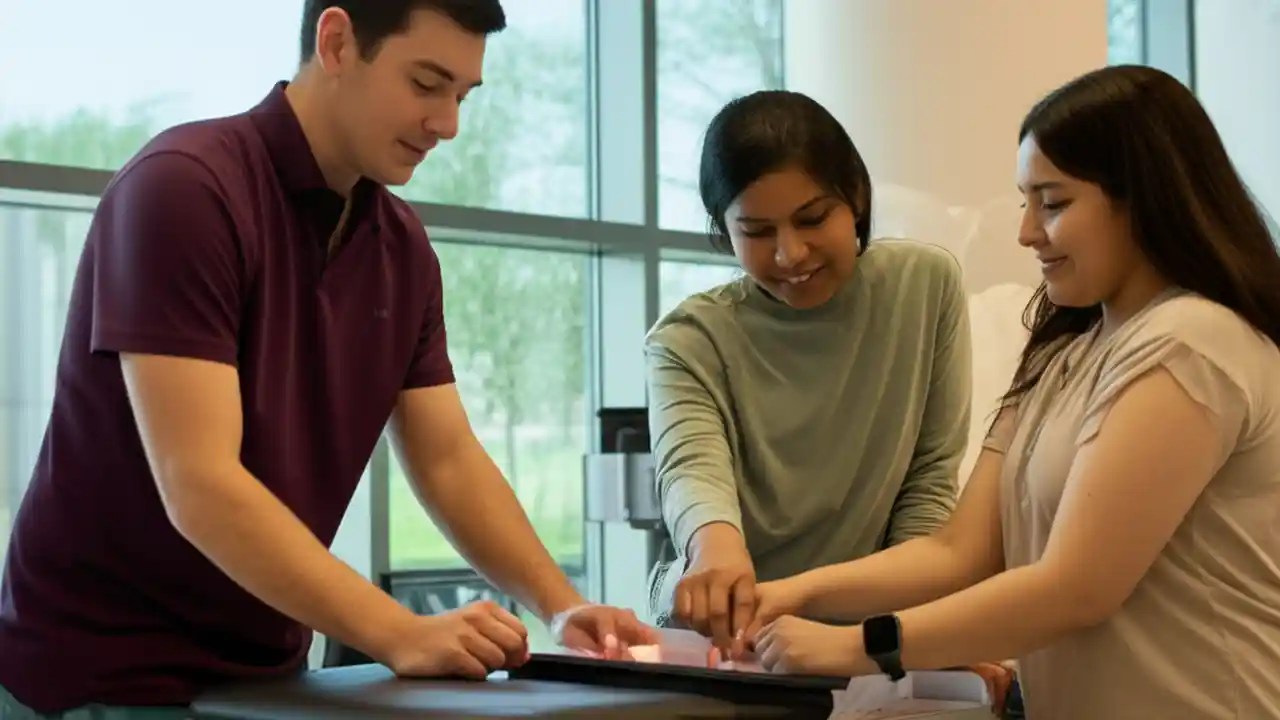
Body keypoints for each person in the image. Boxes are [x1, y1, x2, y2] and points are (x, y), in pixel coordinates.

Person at [0, 1, 655, 716]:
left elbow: (447, 459)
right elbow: (201, 483)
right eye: (426, 84)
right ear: (337, 42)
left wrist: (560, 606)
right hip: (99, 678)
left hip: (266, 678)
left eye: (463, 96)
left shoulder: (402, 249)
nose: (448, 124)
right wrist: (396, 631)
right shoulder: (183, 188)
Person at [746, 65, 1280, 720]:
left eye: (1052, 203)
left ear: (1143, 199)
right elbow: (959, 552)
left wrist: (858, 646)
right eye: (1026, 202)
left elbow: (1076, 588)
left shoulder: (1192, 341)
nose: (1027, 231)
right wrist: (794, 594)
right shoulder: (1064, 351)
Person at [644, 90, 974, 657]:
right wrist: (714, 550)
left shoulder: (925, 286)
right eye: (757, 231)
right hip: (728, 633)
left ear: (857, 199)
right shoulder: (687, 340)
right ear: (723, 231)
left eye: (813, 218)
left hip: (866, 628)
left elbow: (929, 484)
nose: (790, 253)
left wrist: (907, 638)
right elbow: (692, 474)